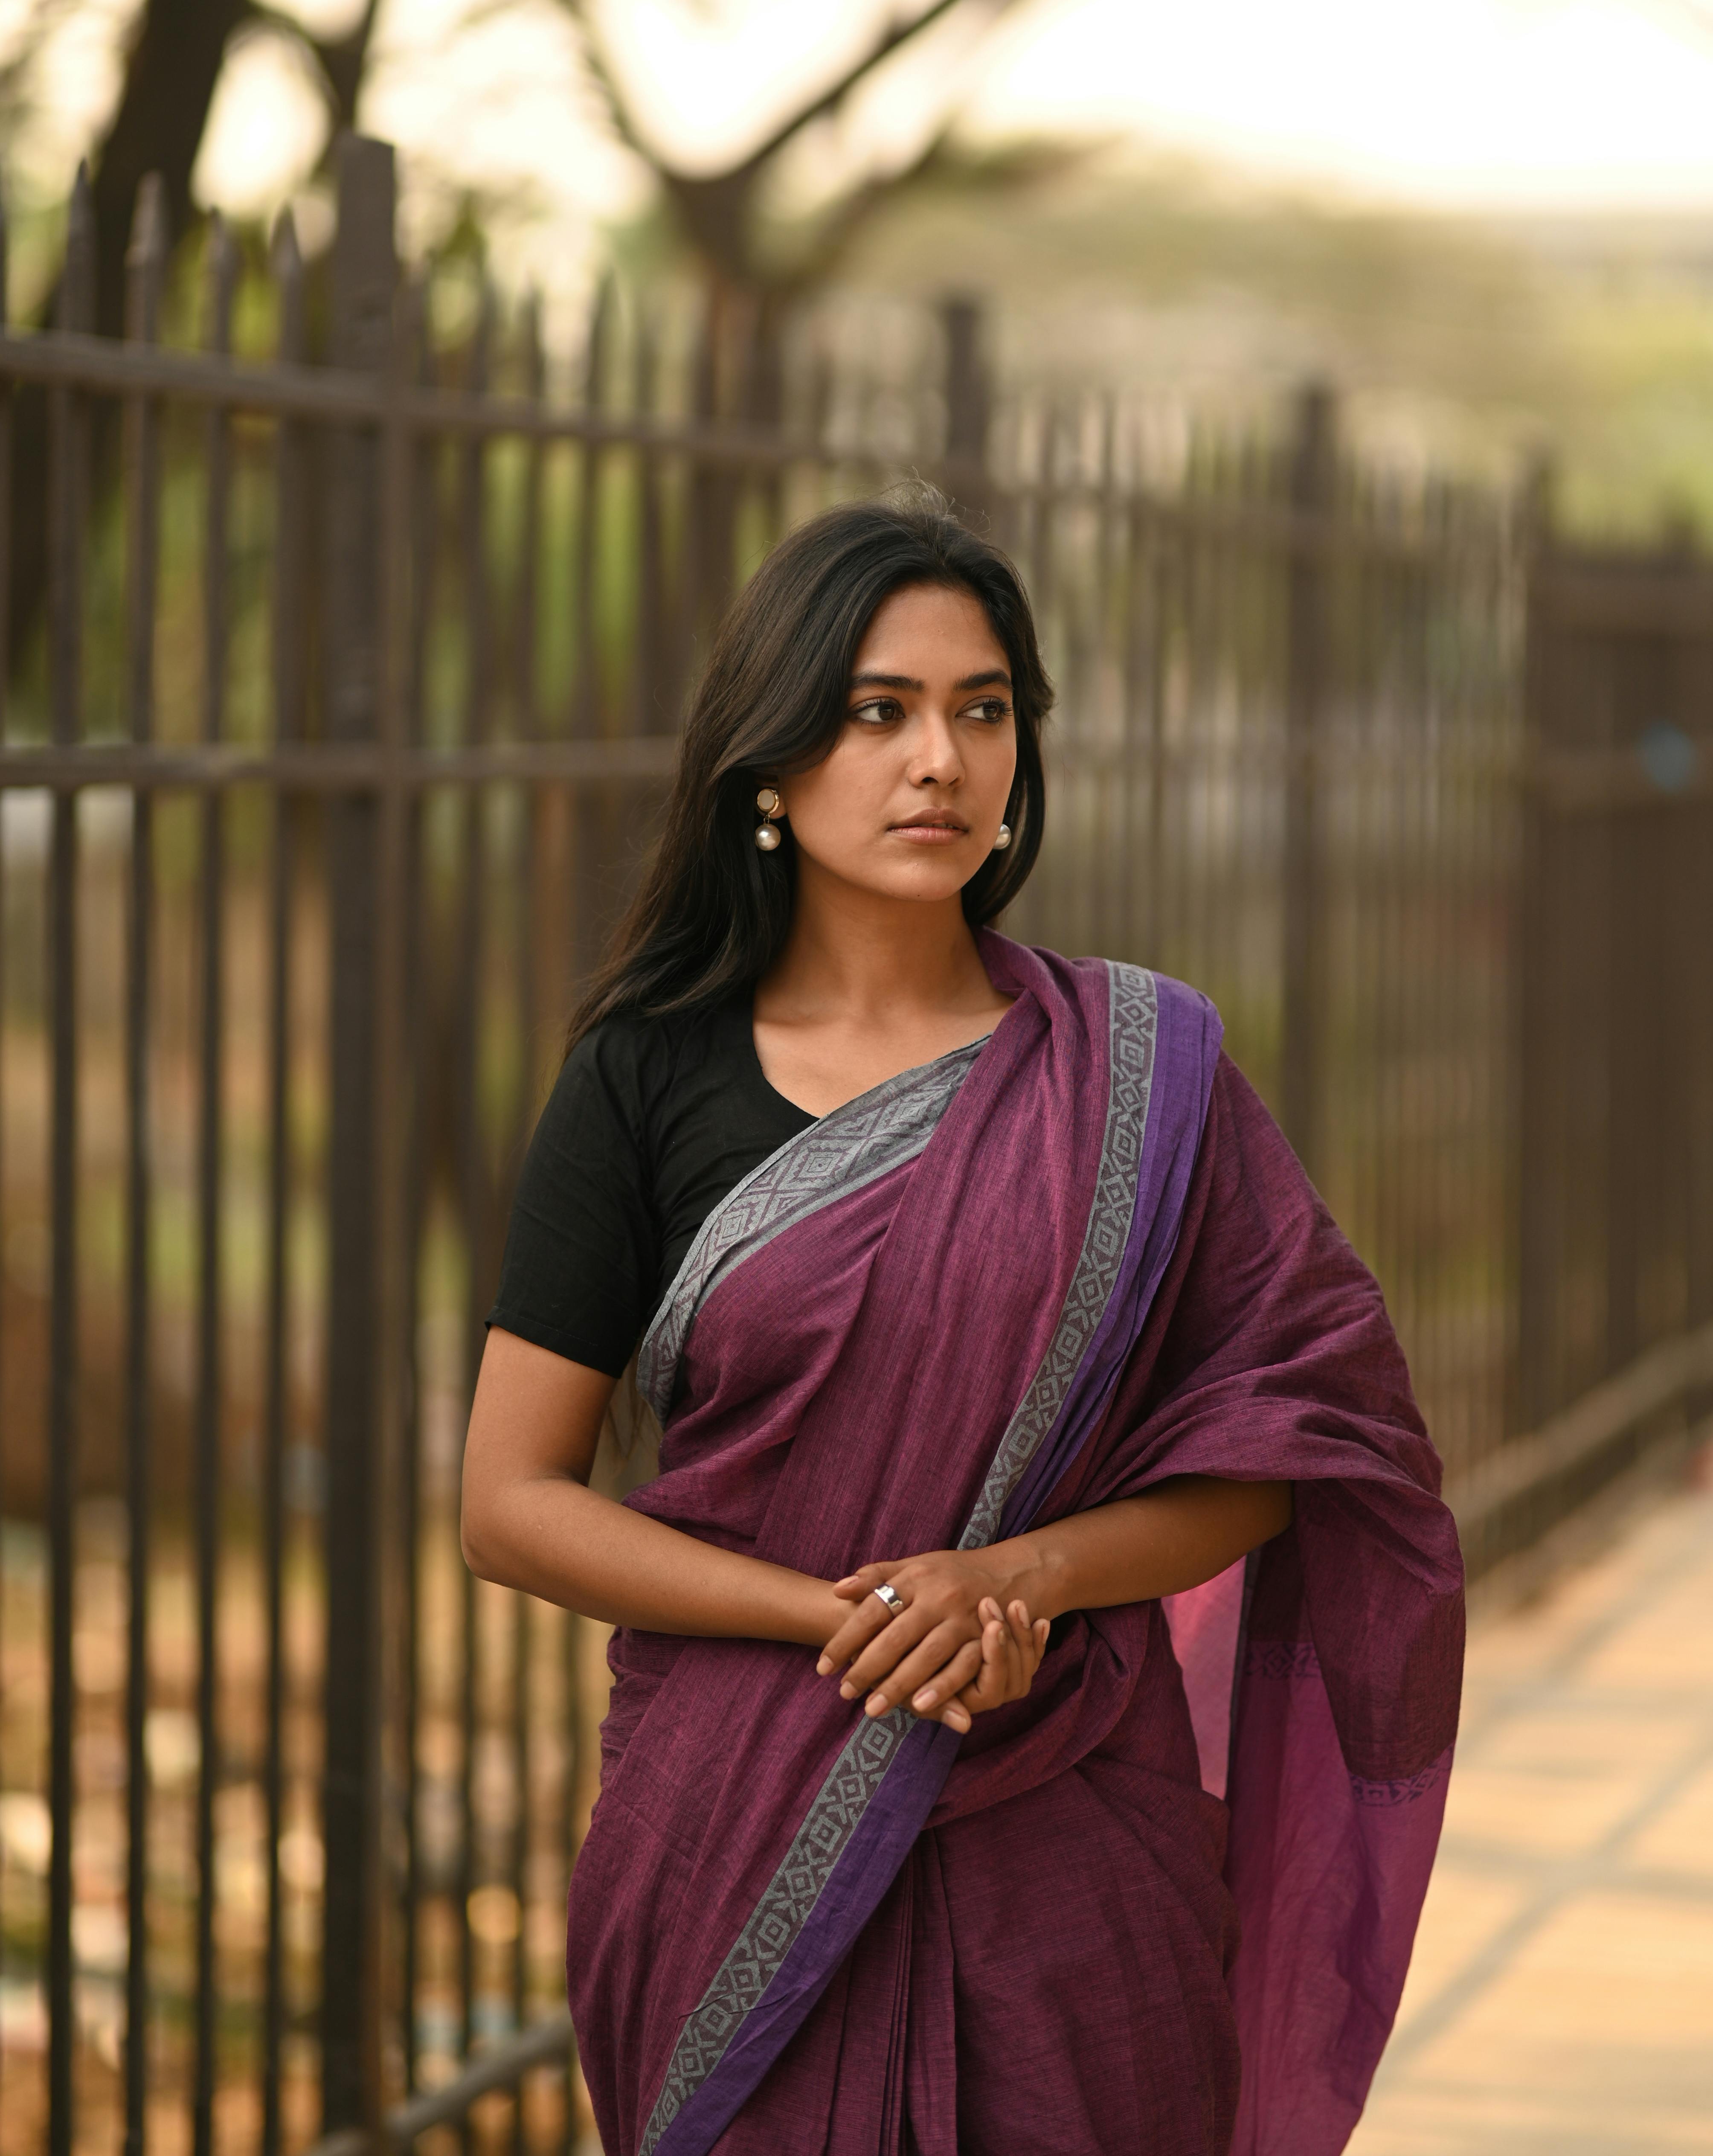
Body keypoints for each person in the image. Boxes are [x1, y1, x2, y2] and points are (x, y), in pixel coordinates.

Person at [461, 487, 1464, 2156]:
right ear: (769, 766)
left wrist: (1014, 1578)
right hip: (730, 1809)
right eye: (876, 712)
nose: (938, 758)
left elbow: (1295, 1454)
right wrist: (841, 1619)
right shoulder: (641, 1074)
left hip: (1068, 1806)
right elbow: (509, 1503)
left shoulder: (1137, 1074)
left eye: (978, 710)